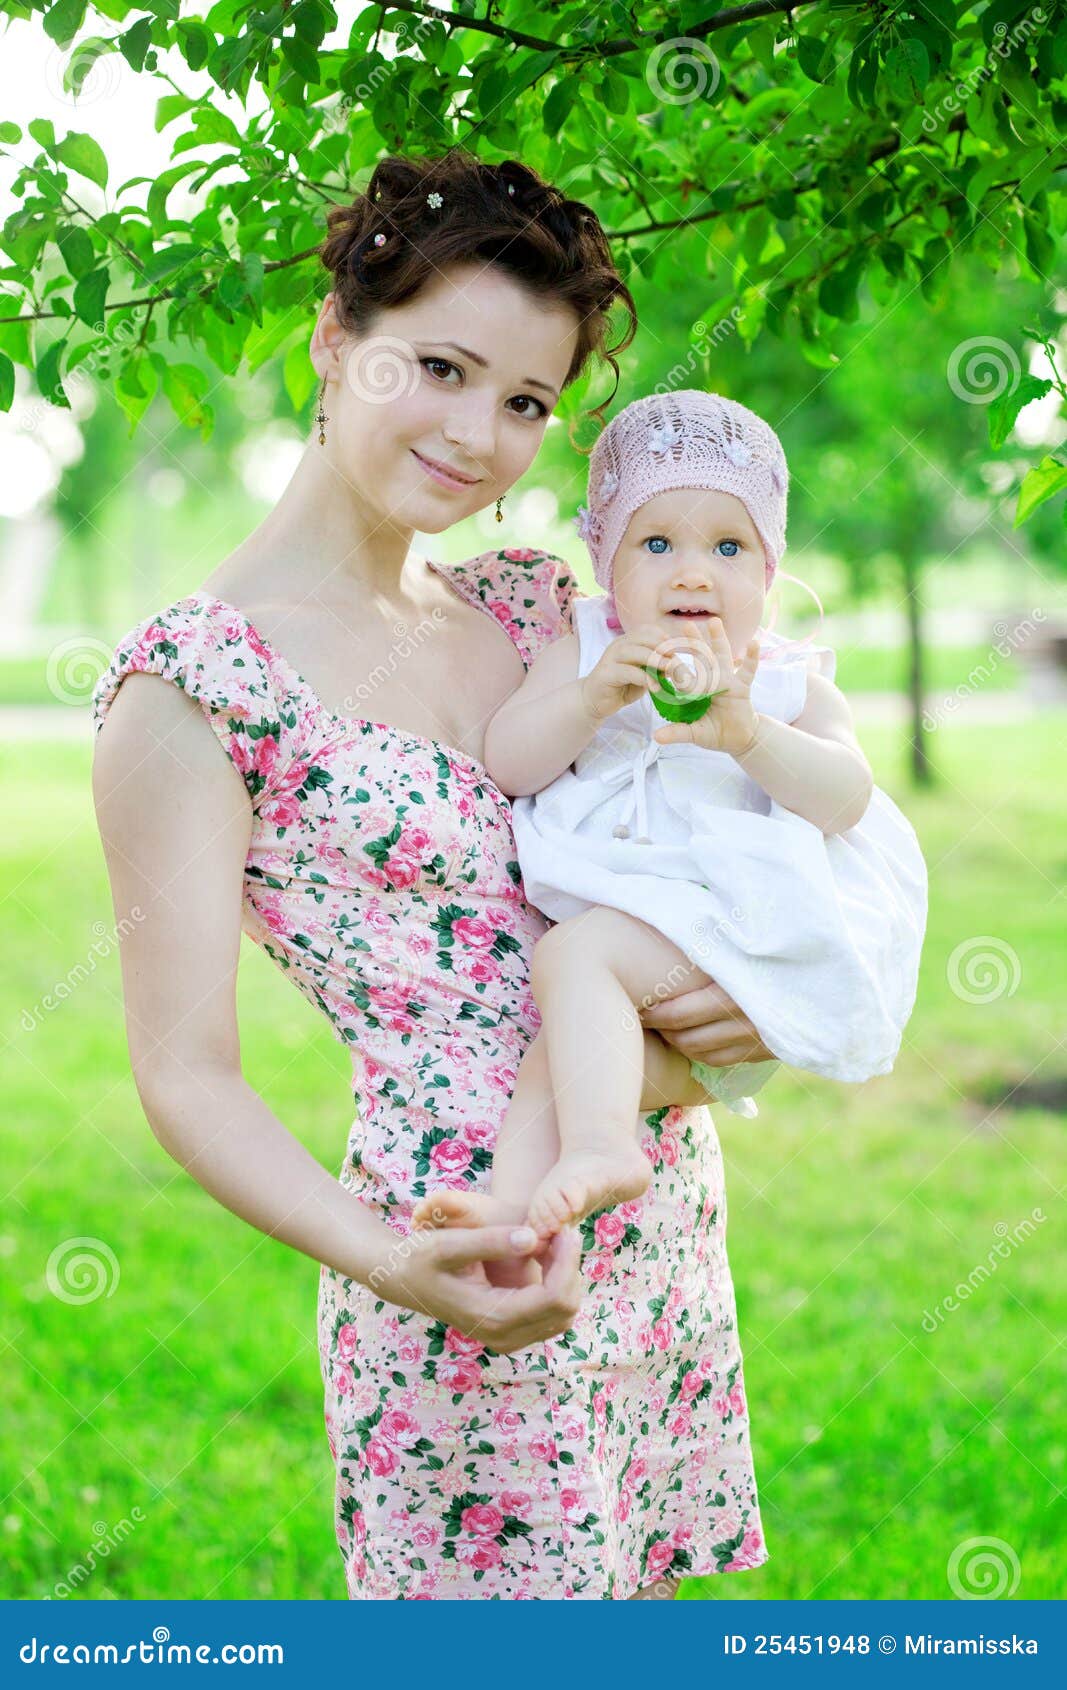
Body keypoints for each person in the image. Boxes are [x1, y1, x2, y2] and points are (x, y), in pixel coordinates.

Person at [89, 149, 774, 1600]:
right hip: (460, 1239)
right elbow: (186, 1071)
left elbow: (693, 849)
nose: (479, 434)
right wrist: (384, 1258)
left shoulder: (529, 608)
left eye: (524, 401)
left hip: (645, 1205)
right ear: (337, 339)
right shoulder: (199, 683)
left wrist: (739, 1013)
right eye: (441, 367)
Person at [413, 390, 929, 1240]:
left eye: (728, 546)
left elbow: (846, 801)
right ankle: (509, 1217)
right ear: (607, 567)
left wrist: (750, 736)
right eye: (655, 543)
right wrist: (588, 700)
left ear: (766, 573)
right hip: (642, 1016)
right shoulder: (584, 653)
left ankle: (604, 1147)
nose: (692, 571)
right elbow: (508, 762)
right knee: (562, 1056)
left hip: (742, 954)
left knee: (577, 954)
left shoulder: (786, 683)